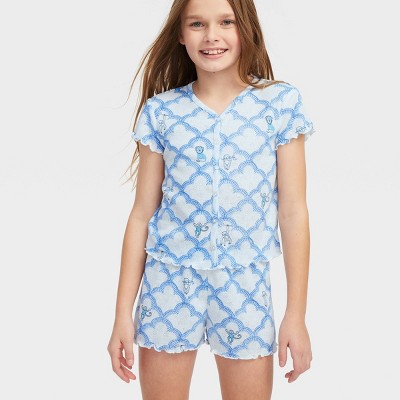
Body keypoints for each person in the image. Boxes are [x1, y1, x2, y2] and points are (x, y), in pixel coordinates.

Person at [107, 0, 315, 398]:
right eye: (197, 24)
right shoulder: (162, 112)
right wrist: (121, 315)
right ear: (181, 34)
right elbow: (141, 215)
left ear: (246, 28)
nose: (212, 36)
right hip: (168, 284)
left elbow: (293, 212)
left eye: (226, 22)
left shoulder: (280, 105)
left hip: (245, 286)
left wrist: (296, 314)